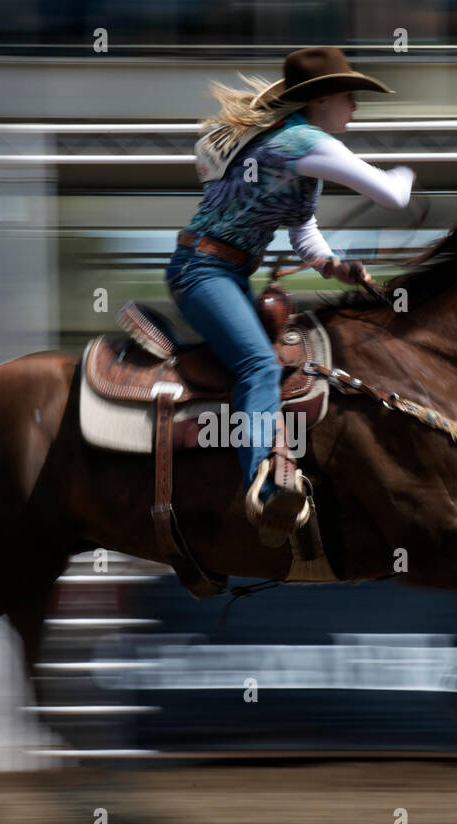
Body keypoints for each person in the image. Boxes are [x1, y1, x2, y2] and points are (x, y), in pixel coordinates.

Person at [166, 46, 415, 539]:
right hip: (204, 272)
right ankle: (263, 483)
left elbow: (302, 231)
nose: (355, 107)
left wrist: (331, 266)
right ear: (322, 100)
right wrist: (410, 173)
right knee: (259, 364)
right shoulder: (304, 142)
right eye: (349, 96)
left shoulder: (291, 144)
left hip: (220, 272)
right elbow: (393, 195)